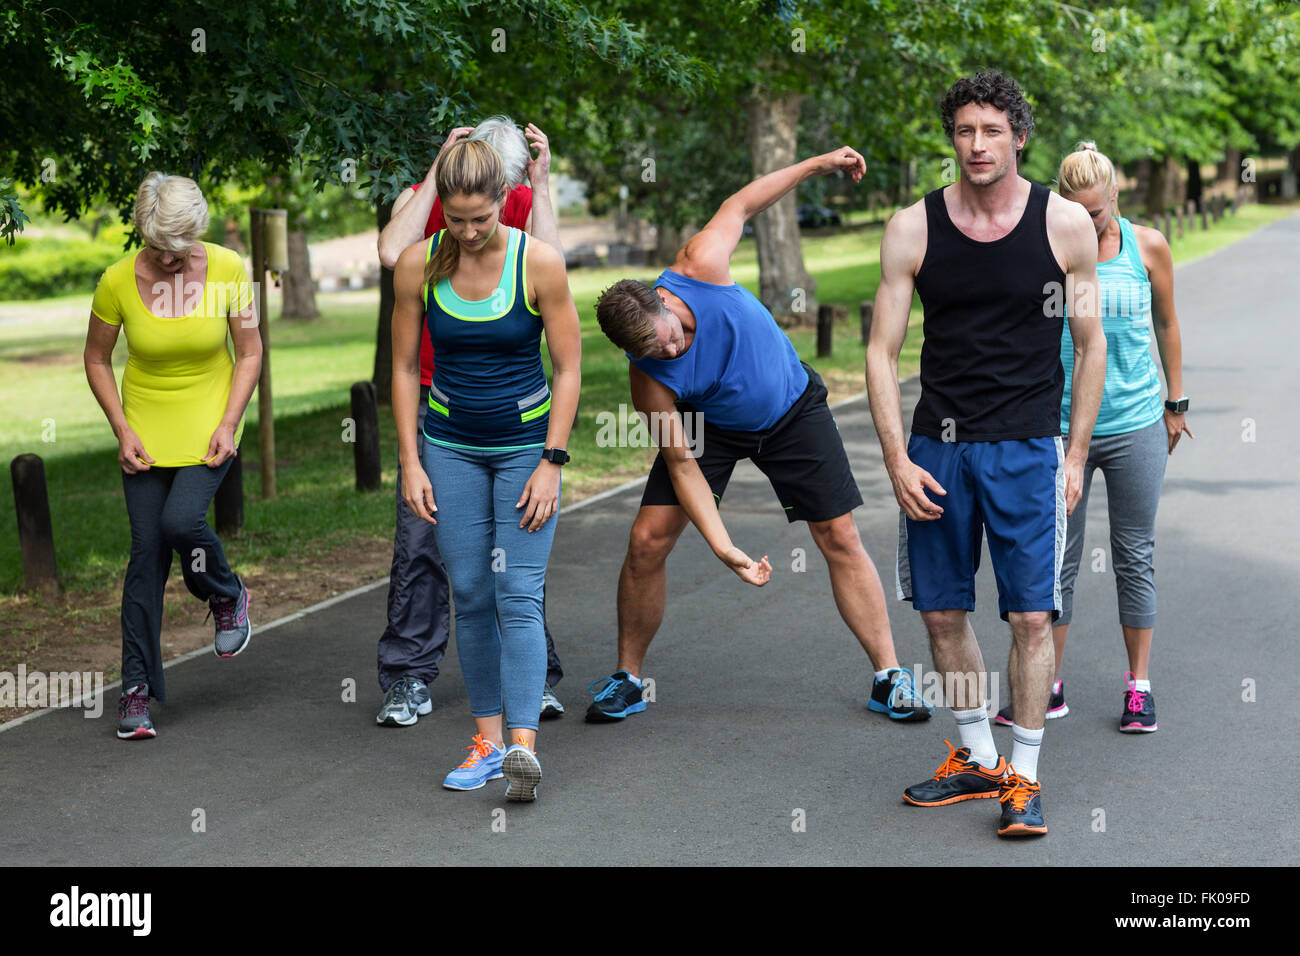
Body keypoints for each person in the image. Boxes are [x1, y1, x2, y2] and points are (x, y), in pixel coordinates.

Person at [588, 145, 934, 726]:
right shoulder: (649, 380)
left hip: (791, 408)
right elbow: (681, 464)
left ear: (666, 302)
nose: (668, 352)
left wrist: (819, 164)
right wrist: (723, 545)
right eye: (651, 353)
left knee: (839, 535)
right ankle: (627, 678)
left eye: (667, 338)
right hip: (712, 427)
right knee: (647, 541)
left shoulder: (701, 264)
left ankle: (890, 676)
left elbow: (744, 203)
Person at [866, 70, 1106, 837]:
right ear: (953, 138)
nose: (977, 144)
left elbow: (1090, 343)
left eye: (992, 130)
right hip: (938, 449)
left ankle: (1025, 780)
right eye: (965, 130)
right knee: (942, 613)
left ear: (1019, 137)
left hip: (1028, 448)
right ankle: (976, 759)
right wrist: (897, 460)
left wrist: (1072, 456)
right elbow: (880, 351)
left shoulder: (1064, 224)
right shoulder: (914, 227)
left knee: (1032, 618)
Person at [390, 139, 581, 801]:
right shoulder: (419, 265)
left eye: (481, 217)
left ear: (505, 200)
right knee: (469, 593)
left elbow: (569, 368)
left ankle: (522, 750)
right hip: (449, 446)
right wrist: (411, 462)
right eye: (457, 217)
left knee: (518, 595)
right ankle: (486, 741)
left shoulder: (540, 264)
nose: (468, 232)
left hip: (526, 446)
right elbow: (399, 368)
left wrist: (552, 461)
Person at [992, 142, 1190, 734]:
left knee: (1134, 556)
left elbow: (1167, 322)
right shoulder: (1047, 245)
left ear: (1114, 200)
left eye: (1096, 212)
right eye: (1074, 209)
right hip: (1057, 426)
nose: (1086, 221)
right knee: (1057, 562)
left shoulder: (1147, 245)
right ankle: (1048, 686)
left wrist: (1175, 402)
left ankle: (1139, 687)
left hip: (1134, 424)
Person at [83, 172, 262, 740]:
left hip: (211, 425)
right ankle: (135, 690)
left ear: (198, 234)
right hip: (145, 432)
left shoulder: (231, 269)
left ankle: (228, 593)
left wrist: (230, 423)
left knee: (181, 521)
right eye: (159, 248)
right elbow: (95, 359)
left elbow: (251, 351)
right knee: (144, 558)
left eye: (180, 249)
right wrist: (121, 428)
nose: (169, 260)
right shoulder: (115, 281)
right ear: (143, 233)